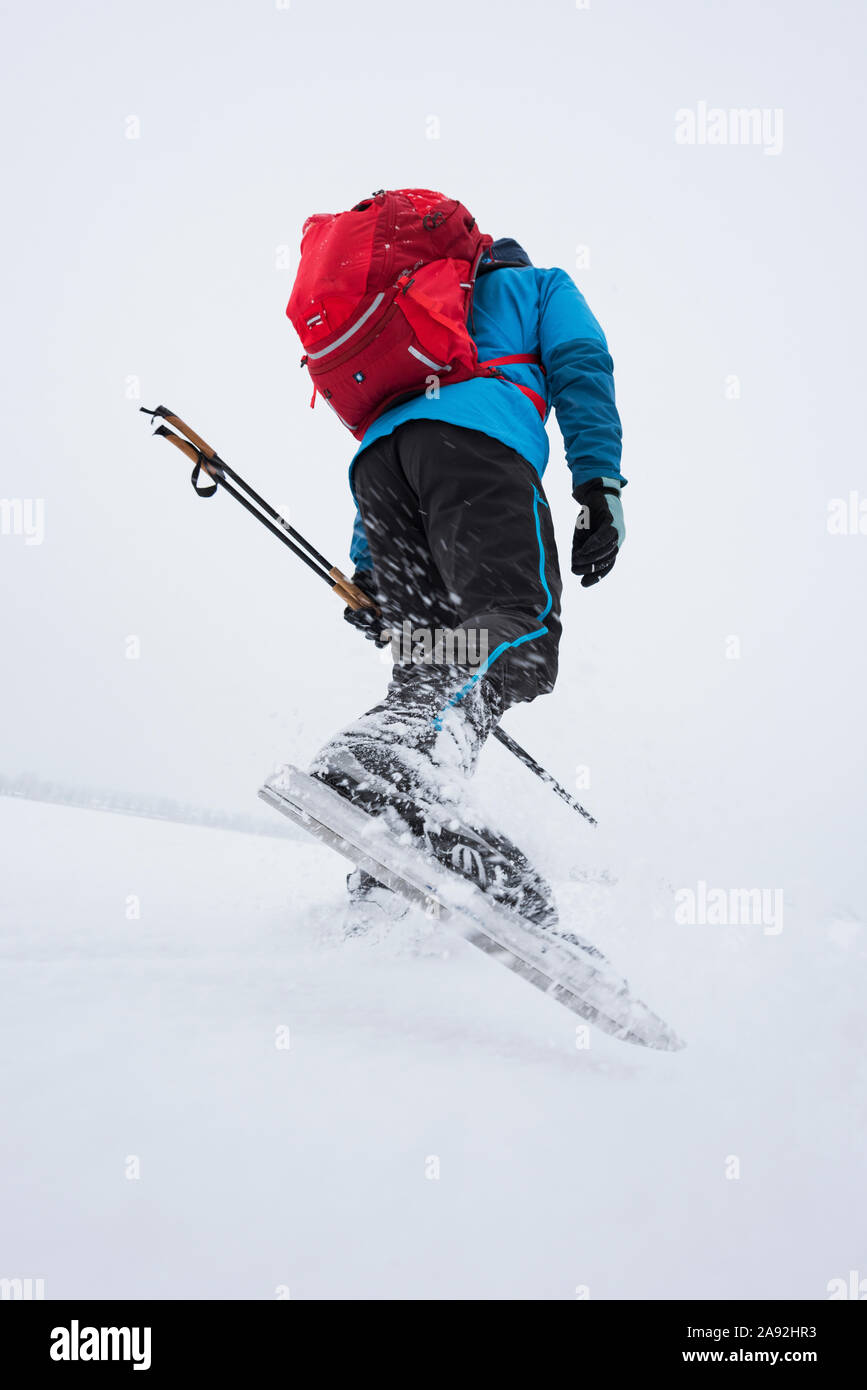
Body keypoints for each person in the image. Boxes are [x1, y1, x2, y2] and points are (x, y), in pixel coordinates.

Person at [308, 229, 625, 933]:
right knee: (521, 628)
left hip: (381, 469)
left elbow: (401, 432)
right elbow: (581, 364)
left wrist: (370, 570)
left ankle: (393, 858)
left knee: (429, 667)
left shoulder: (412, 312)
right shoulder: (535, 286)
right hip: (478, 445)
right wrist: (598, 482)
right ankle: (385, 757)